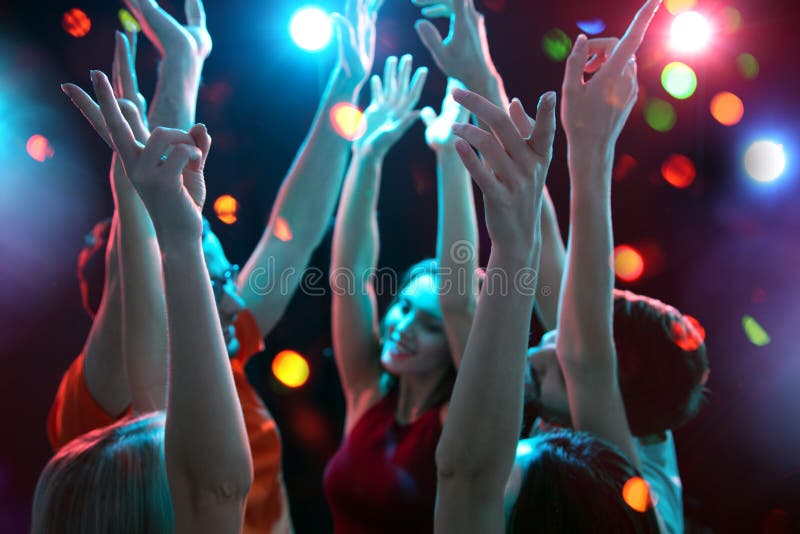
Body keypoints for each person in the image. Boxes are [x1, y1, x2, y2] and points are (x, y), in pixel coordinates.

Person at [49, 0, 383, 531]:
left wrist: (345, 85)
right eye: (213, 278)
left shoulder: (222, 350)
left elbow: (294, 231)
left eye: (226, 273)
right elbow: (137, 243)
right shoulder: (103, 397)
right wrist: (180, 71)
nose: (233, 295)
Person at [434, 0, 665, 532]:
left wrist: (592, 151)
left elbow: (467, 474)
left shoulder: (634, 489)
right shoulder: (625, 478)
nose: (541, 347)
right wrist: (480, 74)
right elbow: (557, 279)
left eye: (563, 356)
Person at [33, 69, 252, 533]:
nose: (235, 300)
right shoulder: (111, 428)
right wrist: (169, 230)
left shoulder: (70, 476)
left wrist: (183, 64)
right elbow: (211, 485)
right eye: (215, 280)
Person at [323, 53, 482, 531]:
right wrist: (366, 157)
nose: (402, 326)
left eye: (430, 324)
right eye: (404, 307)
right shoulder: (369, 394)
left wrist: (451, 159)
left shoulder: (462, 420)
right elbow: (349, 278)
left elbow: (460, 303)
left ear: (454, 344)